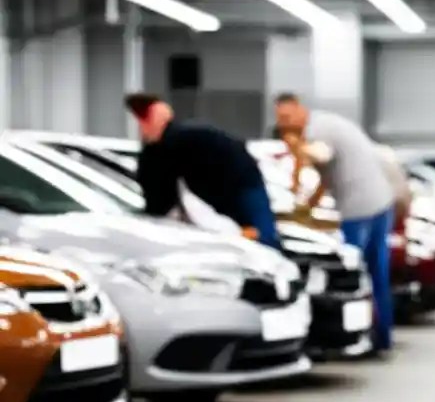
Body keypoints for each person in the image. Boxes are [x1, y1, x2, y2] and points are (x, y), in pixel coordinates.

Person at [274, 94, 396, 354]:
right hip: (380, 201)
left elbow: (321, 156)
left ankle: (357, 338)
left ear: (299, 109)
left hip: (359, 208)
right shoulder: (328, 123)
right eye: (279, 120)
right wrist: (308, 204)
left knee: (349, 276)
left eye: (286, 118)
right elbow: (327, 176)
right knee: (376, 274)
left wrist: (295, 147)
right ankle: (381, 338)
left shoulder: (319, 129)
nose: (284, 125)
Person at [124, 93, 279, 249]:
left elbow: (161, 188)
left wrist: (155, 212)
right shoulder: (183, 136)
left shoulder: (168, 145)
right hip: (240, 183)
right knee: (261, 235)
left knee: (260, 238)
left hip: (237, 186)